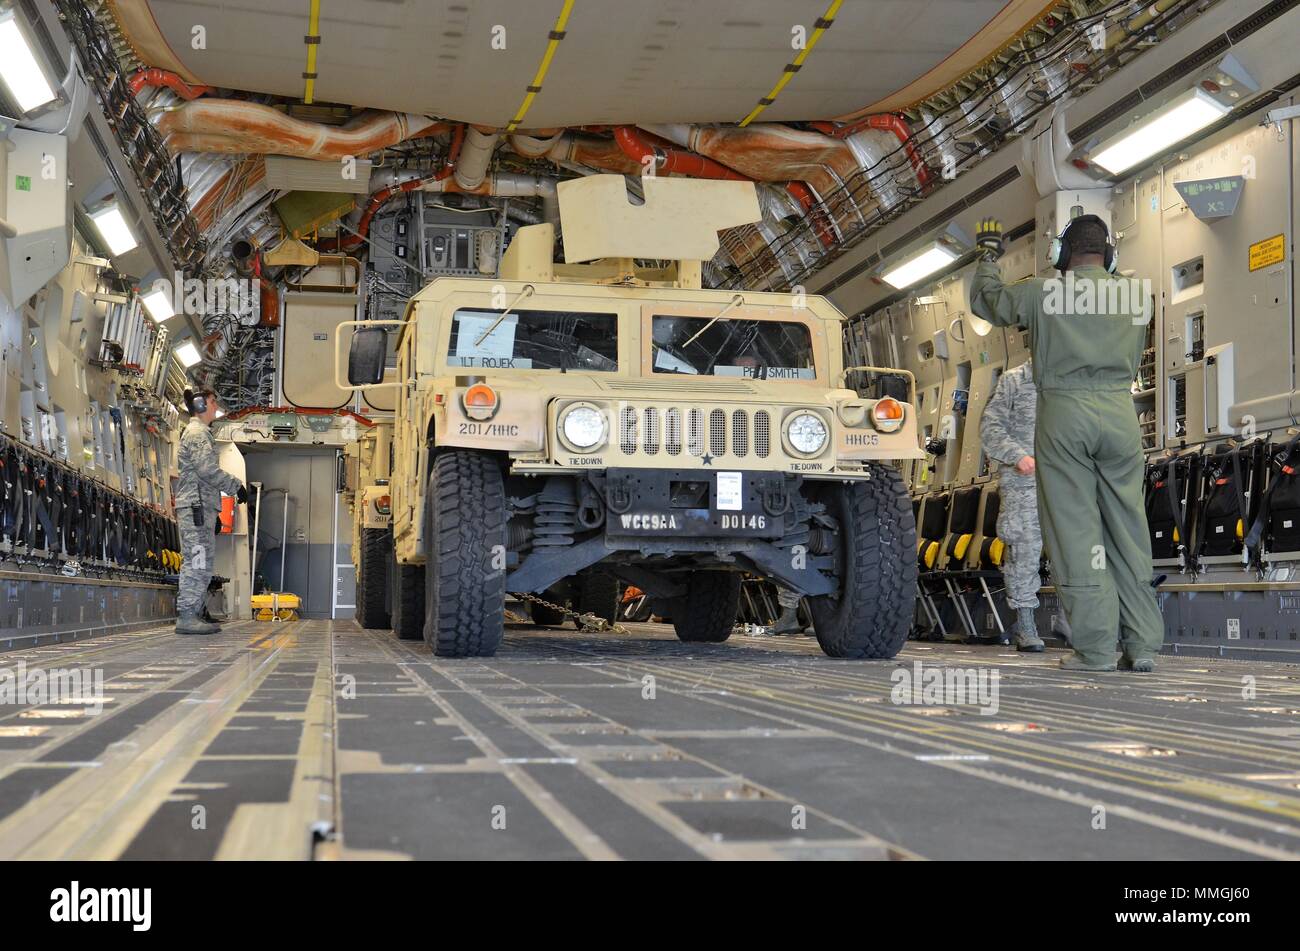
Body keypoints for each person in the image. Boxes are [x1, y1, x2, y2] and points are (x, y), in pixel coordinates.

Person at [969, 214, 1163, 672]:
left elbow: (988, 302)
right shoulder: (1138, 295)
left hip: (1064, 415)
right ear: (1110, 256)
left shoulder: (1043, 292)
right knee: (1128, 529)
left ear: (1060, 256)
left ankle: (1095, 649)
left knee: (1077, 533)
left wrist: (987, 257)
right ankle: (1143, 646)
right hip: (1121, 414)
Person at [979, 359, 1045, 652]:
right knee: (1025, 549)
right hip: (1024, 481)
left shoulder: (1067, 380)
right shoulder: (1013, 381)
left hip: (1064, 480)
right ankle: (1026, 623)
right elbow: (990, 426)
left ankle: (1078, 618)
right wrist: (1017, 455)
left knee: (1075, 550)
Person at [174, 387, 246, 634]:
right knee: (196, 561)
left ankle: (196, 612)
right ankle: (187, 617)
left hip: (200, 507)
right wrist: (235, 486)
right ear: (201, 405)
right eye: (213, 402)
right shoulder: (197, 433)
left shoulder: (201, 433)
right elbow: (206, 470)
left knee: (201, 560)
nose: (216, 406)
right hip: (196, 506)